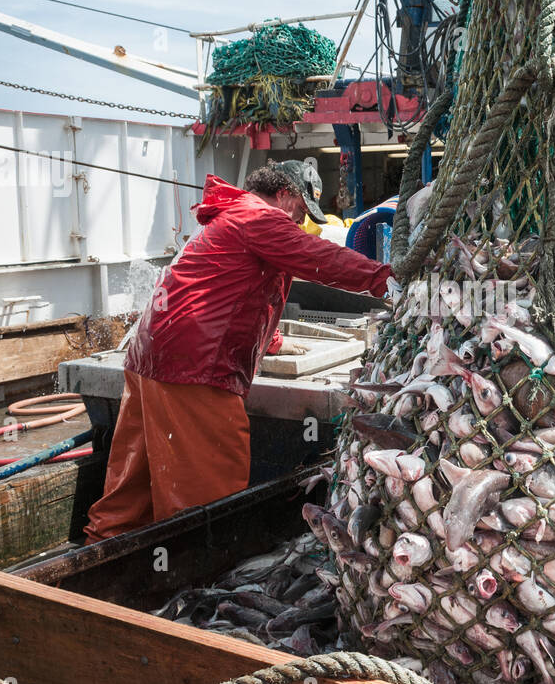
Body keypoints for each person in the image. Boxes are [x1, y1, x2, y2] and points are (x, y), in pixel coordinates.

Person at [83, 161, 394, 542]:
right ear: (285, 194)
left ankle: (100, 553)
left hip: (148, 357)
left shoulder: (229, 217)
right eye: (300, 212)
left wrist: (272, 341)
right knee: (209, 486)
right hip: (194, 367)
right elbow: (318, 258)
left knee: (134, 480)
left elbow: (225, 288)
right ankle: (196, 569)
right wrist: (385, 277)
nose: (299, 223)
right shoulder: (261, 217)